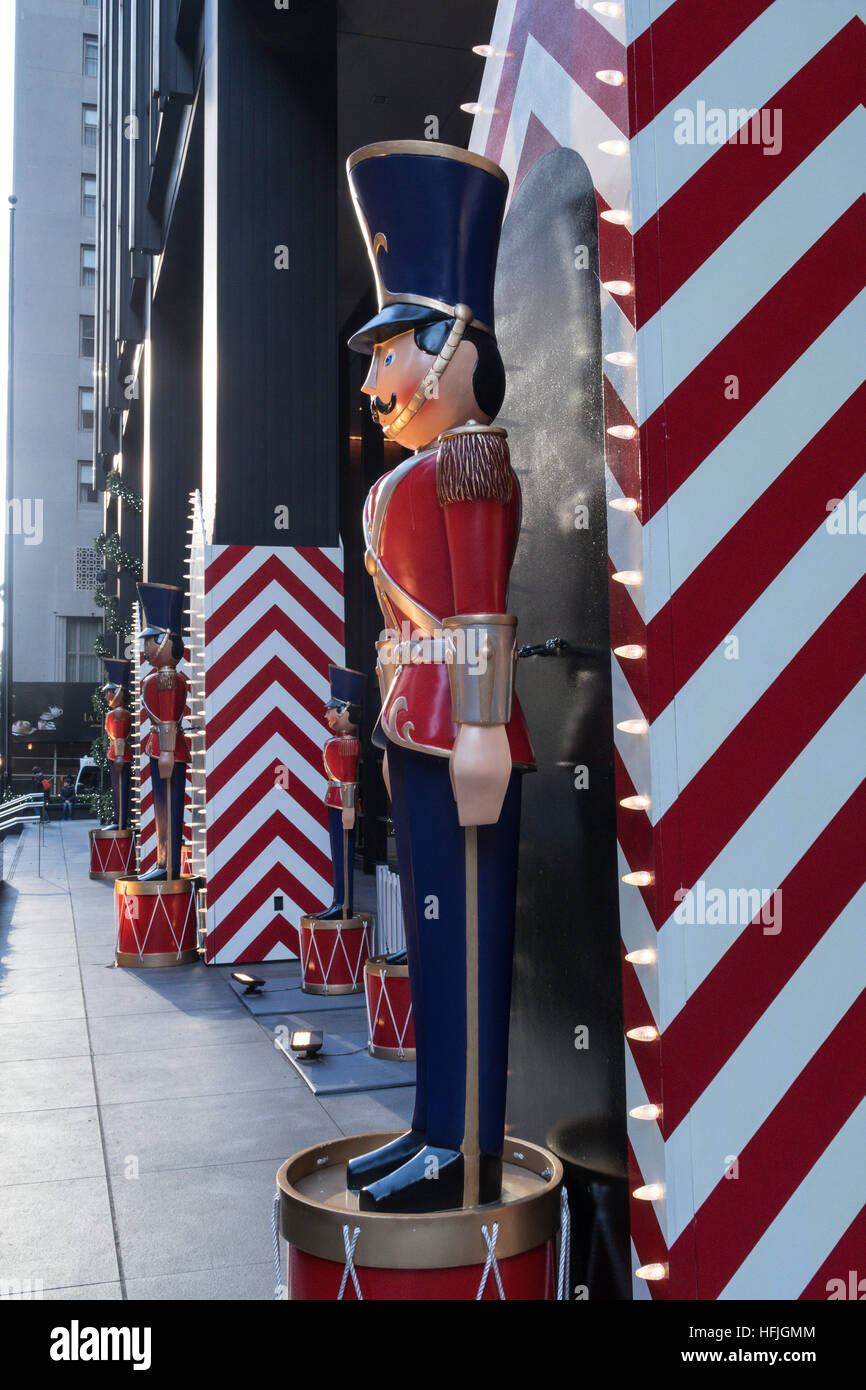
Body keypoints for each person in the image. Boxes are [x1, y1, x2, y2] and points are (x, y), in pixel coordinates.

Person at [344, 140, 534, 1213]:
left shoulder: (470, 460)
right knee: (431, 933)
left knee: (463, 943)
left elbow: (477, 610)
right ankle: (429, 1127)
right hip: (410, 732)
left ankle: (463, 1145)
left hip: (460, 737)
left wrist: (476, 729)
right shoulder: (414, 472)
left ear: (453, 348)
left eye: (389, 356)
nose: (373, 383)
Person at [137, 583, 189, 881]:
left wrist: (167, 750)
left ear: (168, 641)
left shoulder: (167, 678)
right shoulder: (160, 677)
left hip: (166, 749)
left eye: (151, 641)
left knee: (168, 806)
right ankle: (162, 860)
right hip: (161, 748)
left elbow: (168, 719)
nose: (145, 649)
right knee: (162, 807)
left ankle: (167, 864)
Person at [314, 666, 365, 919]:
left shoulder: (346, 743)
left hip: (342, 804)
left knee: (343, 855)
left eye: (332, 710)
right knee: (338, 853)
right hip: (335, 802)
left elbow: (348, 780)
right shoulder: (340, 742)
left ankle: (343, 905)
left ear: (345, 710)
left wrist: (347, 808)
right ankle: (339, 901)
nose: (327, 715)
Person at [101, 659, 133, 830]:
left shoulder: (117, 714)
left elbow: (119, 738)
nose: (107, 696)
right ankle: (119, 819)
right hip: (119, 755)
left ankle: (119, 820)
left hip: (119, 756)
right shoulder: (121, 712)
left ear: (118, 692)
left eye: (109, 692)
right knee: (119, 789)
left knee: (119, 789)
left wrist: (119, 756)